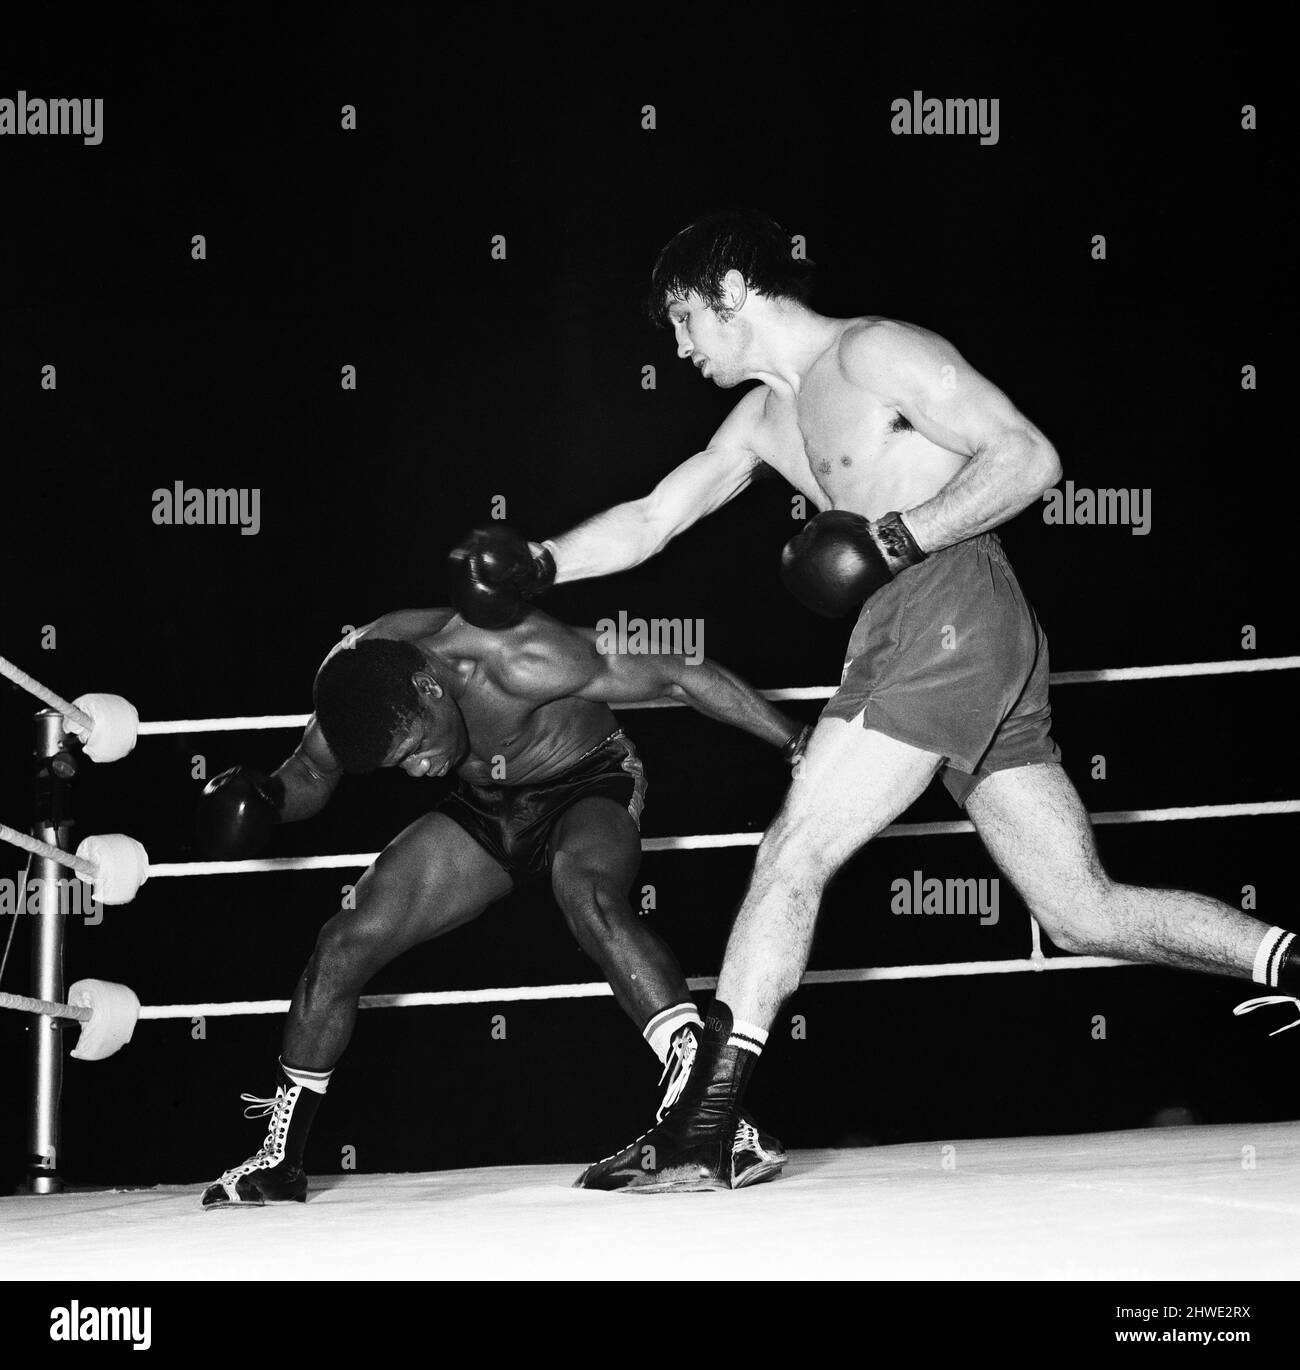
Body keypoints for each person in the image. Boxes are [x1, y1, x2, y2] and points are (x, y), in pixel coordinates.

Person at [448, 208, 1300, 1192]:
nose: (677, 346)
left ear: (732, 292)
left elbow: (1027, 457)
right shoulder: (768, 414)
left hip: (949, 610)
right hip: (918, 632)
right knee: (1078, 910)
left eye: (684, 318)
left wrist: (899, 536)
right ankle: (1285, 958)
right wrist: (541, 560)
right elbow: (653, 516)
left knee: (794, 846)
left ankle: (706, 1125)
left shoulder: (876, 352)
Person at [197, 603, 806, 1206]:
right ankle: (279, 1164)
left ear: (430, 688)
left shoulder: (518, 654)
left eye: (415, 748)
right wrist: (272, 796)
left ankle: (716, 1118)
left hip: (587, 778)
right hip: (487, 805)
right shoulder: (355, 684)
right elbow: (310, 767)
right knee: (343, 942)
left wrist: (797, 746)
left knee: (585, 891)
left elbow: (679, 671)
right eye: (399, 764)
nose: (418, 770)